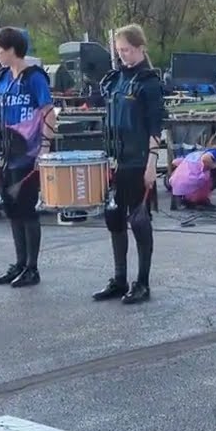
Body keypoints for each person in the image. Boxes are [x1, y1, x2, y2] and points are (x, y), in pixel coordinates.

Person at [93, 24, 164, 305]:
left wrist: (152, 163)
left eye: (128, 50)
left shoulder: (149, 83)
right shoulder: (114, 80)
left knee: (139, 221)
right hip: (115, 160)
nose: (124, 55)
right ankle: (119, 278)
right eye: (120, 50)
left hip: (137, 160)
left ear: (140, 48)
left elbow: (156, 126)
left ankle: (142, 283)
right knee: (114, 218)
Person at [0, 27, 56, 287]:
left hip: (28, 152)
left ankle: (32, 267)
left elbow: (49, 112)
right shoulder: (3, 77)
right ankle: (19, 262)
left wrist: (45, 147)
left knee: (27, 211)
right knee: (11, 210)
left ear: (12, 50)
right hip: (8, 152)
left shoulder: (34, 77)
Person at [168, 140, 216, 208]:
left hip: (176, 185)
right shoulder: (215, 151)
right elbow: (205, 159)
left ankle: (188, 200)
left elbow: (174, 162)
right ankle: (199, 198)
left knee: (204, 171)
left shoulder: (196, 153)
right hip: (191, 184)